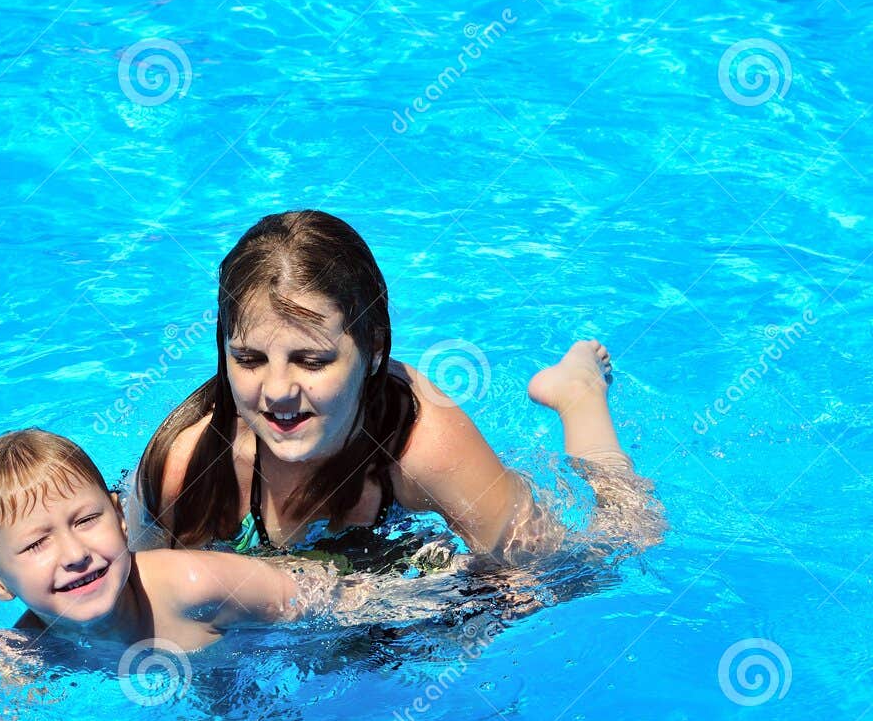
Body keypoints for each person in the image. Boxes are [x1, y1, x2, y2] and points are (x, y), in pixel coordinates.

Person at [130, 210, 659, 565]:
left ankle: (579, 394)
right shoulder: (189, 463)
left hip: (420, 489)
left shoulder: (426, 447)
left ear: (374, 349)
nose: (277, 392)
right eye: (248, 359)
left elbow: (538, 581)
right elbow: (130, 603)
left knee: (622, 541)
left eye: (311, 360)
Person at [0, 428, 339, 654]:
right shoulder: (29, 651)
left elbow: (339, 597)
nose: (75, 554)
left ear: (120, 517)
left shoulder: (193, 584)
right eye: (36, 544)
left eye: (87, 520)